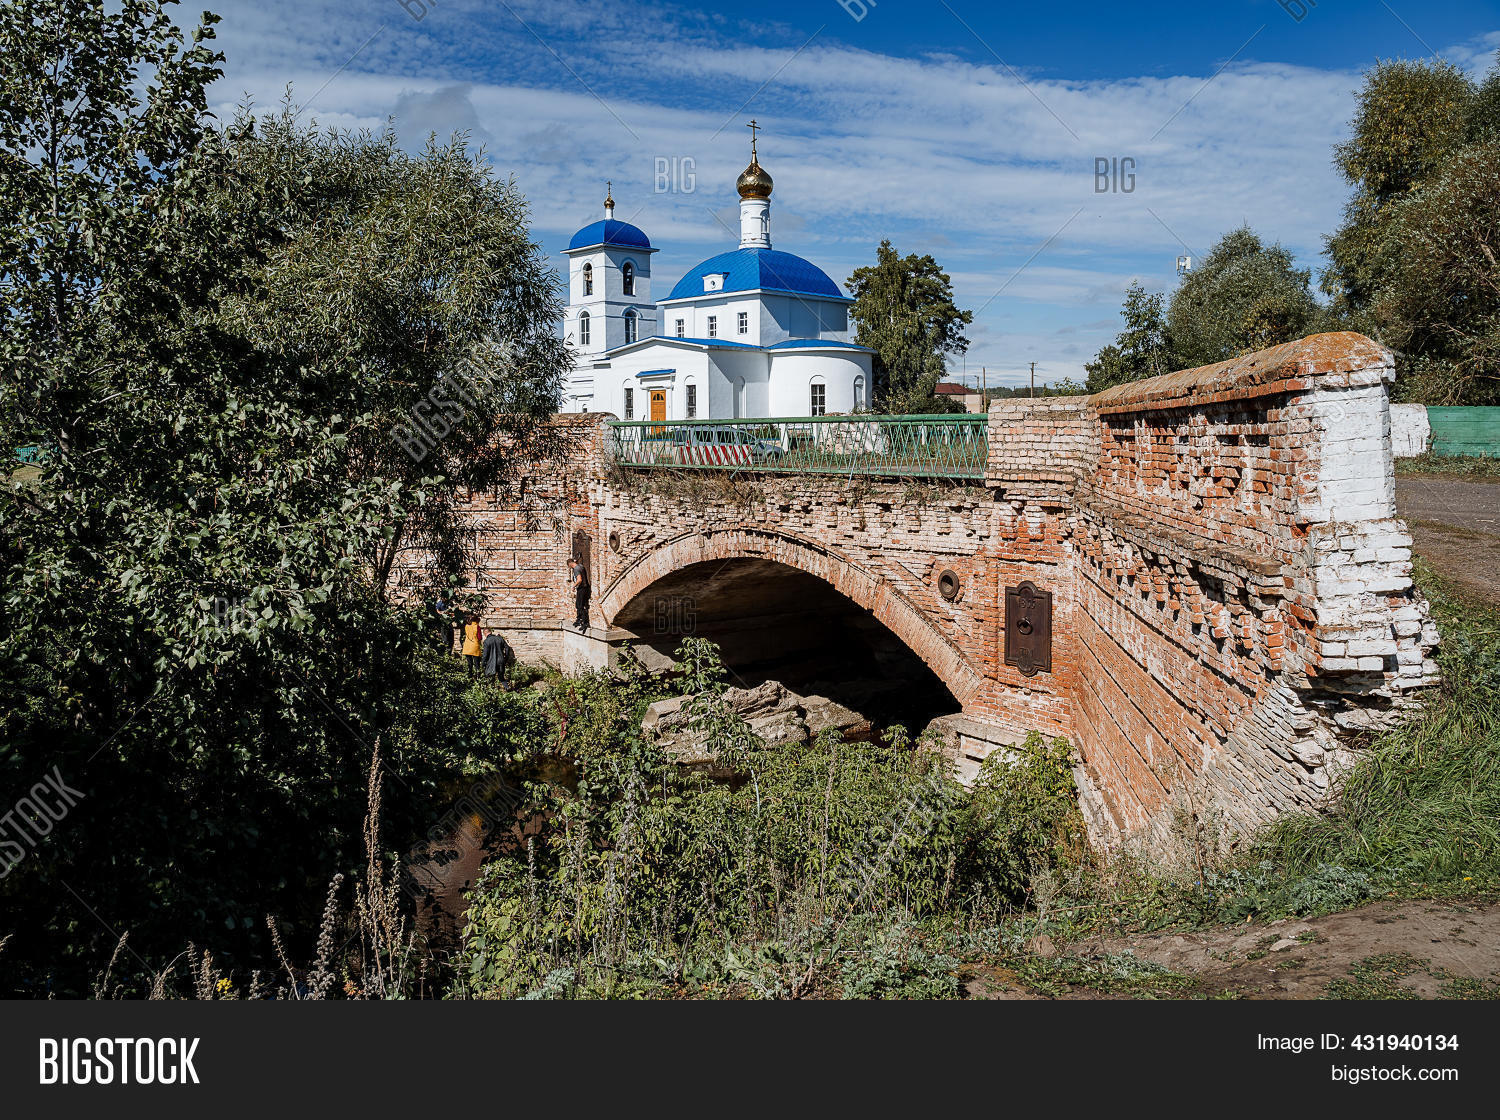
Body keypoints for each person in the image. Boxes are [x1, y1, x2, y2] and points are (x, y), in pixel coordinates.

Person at [568, 558, 590, 630]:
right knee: (580, 604)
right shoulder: (581, 566)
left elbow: (579, 579)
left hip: (581, 588)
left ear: (570, 564)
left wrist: (573, 586)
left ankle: (584, 622)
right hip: (585, 588)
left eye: (569, 566)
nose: (570, 568)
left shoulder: (576, 569)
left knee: (580, 605)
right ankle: (579, 619)